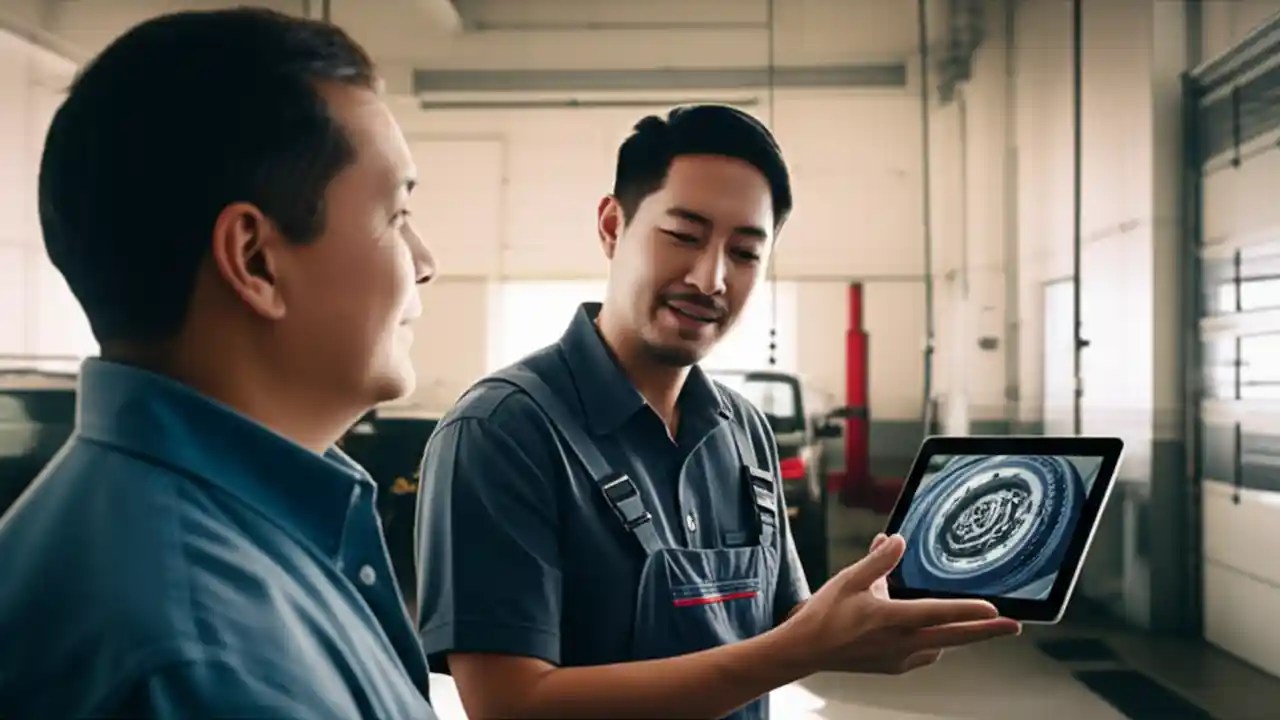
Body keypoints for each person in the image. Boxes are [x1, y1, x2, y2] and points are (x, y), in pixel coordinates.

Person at [414, 104, 1021, 719]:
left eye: (746, 253)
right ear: (612, 226)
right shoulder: (501, 431)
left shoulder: (745, 430)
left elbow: (785, 624)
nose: (710, 279)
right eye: (684, 236)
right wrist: (800, 650)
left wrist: (860, 617)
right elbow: (510, 706)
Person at [0, 8, 437, 719]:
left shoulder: (181, 536)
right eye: (396, 217)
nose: (425, 263)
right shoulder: (212, 663)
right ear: (255, 261)